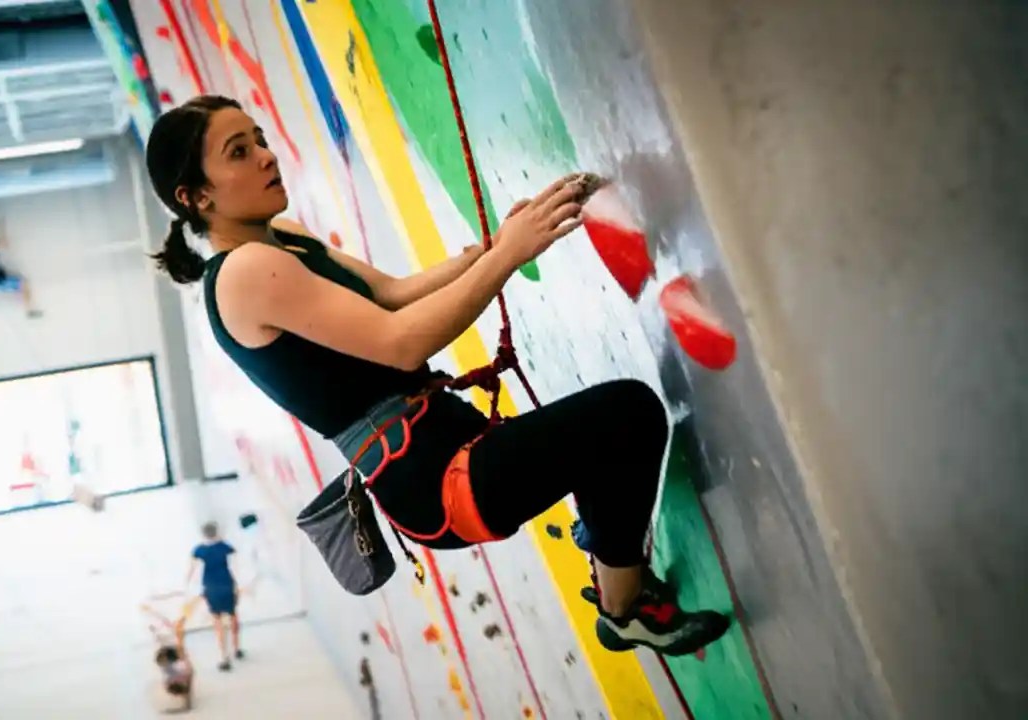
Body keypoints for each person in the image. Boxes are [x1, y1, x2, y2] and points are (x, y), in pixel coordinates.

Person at [143, 95, 728, 656]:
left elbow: (391, 296)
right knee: (626, 415)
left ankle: (605, 539)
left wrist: (496, 246)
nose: (267, 155)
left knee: (609, 430)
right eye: (239, 152)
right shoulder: (244, 273)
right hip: (431, 479)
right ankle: (623, 612)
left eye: (260, 140)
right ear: (194, 197)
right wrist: (507, 258)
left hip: (443, 438)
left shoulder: (283, 239)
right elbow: (400, 344)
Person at [184, 522, 240, 671]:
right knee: (233, 615)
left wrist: (187, 588)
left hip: (211, 587)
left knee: (217, 621)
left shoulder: (198, 550)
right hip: (227, 585)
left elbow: (192, 572)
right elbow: (236, 565)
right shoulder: (225, 547)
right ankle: (236, 648)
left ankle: (224, 656)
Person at [140, 602, 195, 713]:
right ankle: (186, 700)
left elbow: (180, 651)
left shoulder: (181, 671)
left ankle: (185, 700)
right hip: (172, 656)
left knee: (163, 634)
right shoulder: (183, 670)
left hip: (171, 657)